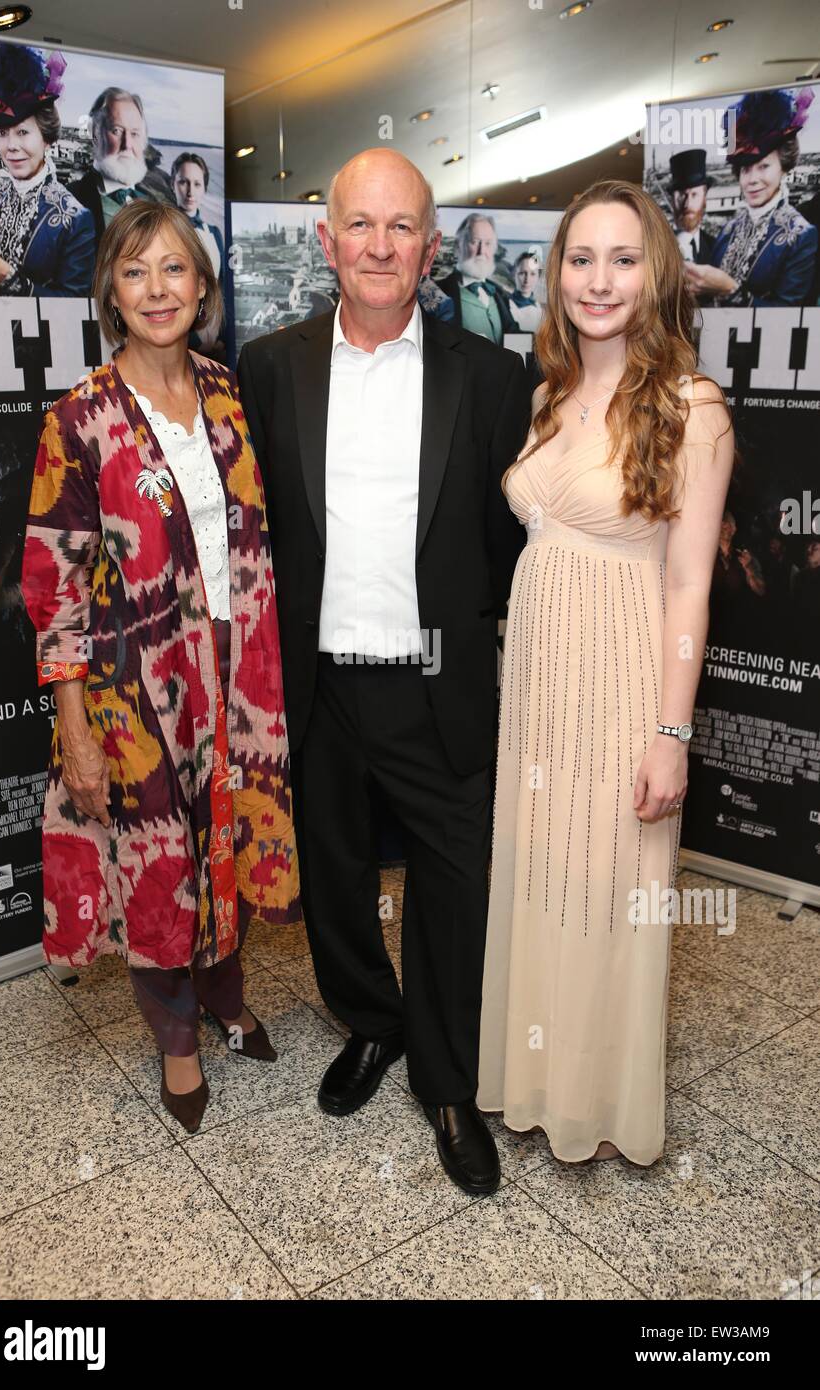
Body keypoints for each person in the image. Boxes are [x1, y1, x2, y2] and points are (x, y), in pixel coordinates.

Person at [236, 148, 530, 1195]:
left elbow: (506, 544)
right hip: (316, 682)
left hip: (436, 679)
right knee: (334, 881)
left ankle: (446, 1081)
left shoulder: (493, 378)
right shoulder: (266, 369)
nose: (377, 246)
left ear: (430, 246)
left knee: (455, 884)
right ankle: (370, 1021)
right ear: (326, 240)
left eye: (399, 227)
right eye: (357, 224)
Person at [20, 201, 299, 1135]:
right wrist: (75, 730)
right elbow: (52, 584)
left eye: (174, 269)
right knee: (159, 865)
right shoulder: (81, 419)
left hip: (241, 671)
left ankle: (227, 992)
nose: (157, 290)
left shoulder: (227, 391)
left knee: (233, 833)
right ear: (110, 291)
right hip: (134, 687)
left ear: (202, 286)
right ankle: (176, 1040)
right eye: (135, 272)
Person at [478, 179, 734, 1166]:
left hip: (623, 678)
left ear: (655, 270)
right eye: (578, 259)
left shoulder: (689, 405)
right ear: (555, 275)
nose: (597, 279)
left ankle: (596, 1102)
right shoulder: (545, 391)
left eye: (621, 258)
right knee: (542, 877)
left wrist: (669, 735)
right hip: (539, 680)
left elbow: (686, 587)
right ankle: (532, 1077)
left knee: (606, 890)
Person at [0, 40, 94, 296]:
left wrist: (3, 274)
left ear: (47, 137)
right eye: (2, 133)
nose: (12, 146)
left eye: (23, 132)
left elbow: (75, 309)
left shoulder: (74, 219)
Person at [686, 88, 818, 307]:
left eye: (763, 166)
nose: (752, 179)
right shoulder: (729, 230)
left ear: (783, 167)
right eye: (745, 170)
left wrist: (731, 290)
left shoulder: (800, 235)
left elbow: (791, 317)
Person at [69, 87, 173, 250]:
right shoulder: (67, 201)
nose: (128, 144)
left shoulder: (153, 204)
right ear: (94, 134)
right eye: (116, 130)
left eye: (135, 133)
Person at [435, 212, 515, 343]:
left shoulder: (500, 294)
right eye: (474, 242)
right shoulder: (439, 293)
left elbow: (514, 334)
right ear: (458, 247)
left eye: (488, 243)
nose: (481, 251)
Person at [171, 151, 224, 279]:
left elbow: (222, 284)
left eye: (197, 184)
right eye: (183, 182)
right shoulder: (162, 230)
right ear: (172, 184)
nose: (190, 192)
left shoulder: (214, 233)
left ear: (204, 189)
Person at [669, 149, 715, 265]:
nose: (687, 204)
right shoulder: (654, 248)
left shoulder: (716, 248)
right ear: (672, 200)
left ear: (704, 199)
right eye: (681, 195)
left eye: (694, 195)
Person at [508, 249, 543, 332]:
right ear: (514, 275)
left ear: (538, 277)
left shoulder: (537, 305)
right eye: (522, 273)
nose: (527, 280)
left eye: (533, 274)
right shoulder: (507, 305)